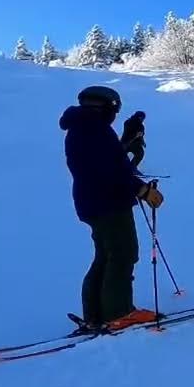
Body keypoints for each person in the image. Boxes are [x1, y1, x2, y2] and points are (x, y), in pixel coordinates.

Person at [59, 86, 165, 332]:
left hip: (94, 201)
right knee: (123, 253)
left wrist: (137, 187)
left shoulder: (81, 128)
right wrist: (142, 191)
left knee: (106, 255)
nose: (115, 114)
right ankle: (119, 312)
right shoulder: (94, 129)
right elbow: (111, 169)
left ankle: (96, 314)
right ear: (105, 107)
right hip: (108, 201)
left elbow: (110, 166)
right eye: (114, 109)